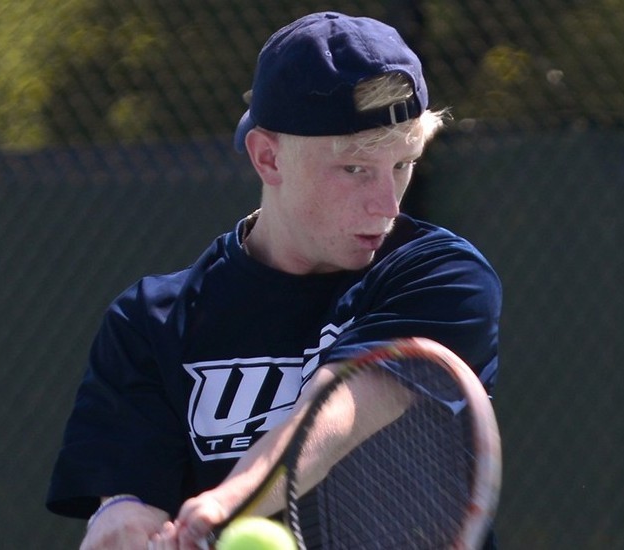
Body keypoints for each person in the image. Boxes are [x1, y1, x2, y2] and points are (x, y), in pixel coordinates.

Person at [46, 11, 501, 550]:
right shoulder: (148, 322)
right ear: (268, 157)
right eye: (355, 168)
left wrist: (225, 502)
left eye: (401, 165)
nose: (386, 204)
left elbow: (342, 412)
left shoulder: (443, 275)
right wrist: (122, 518)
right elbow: (131, 500)